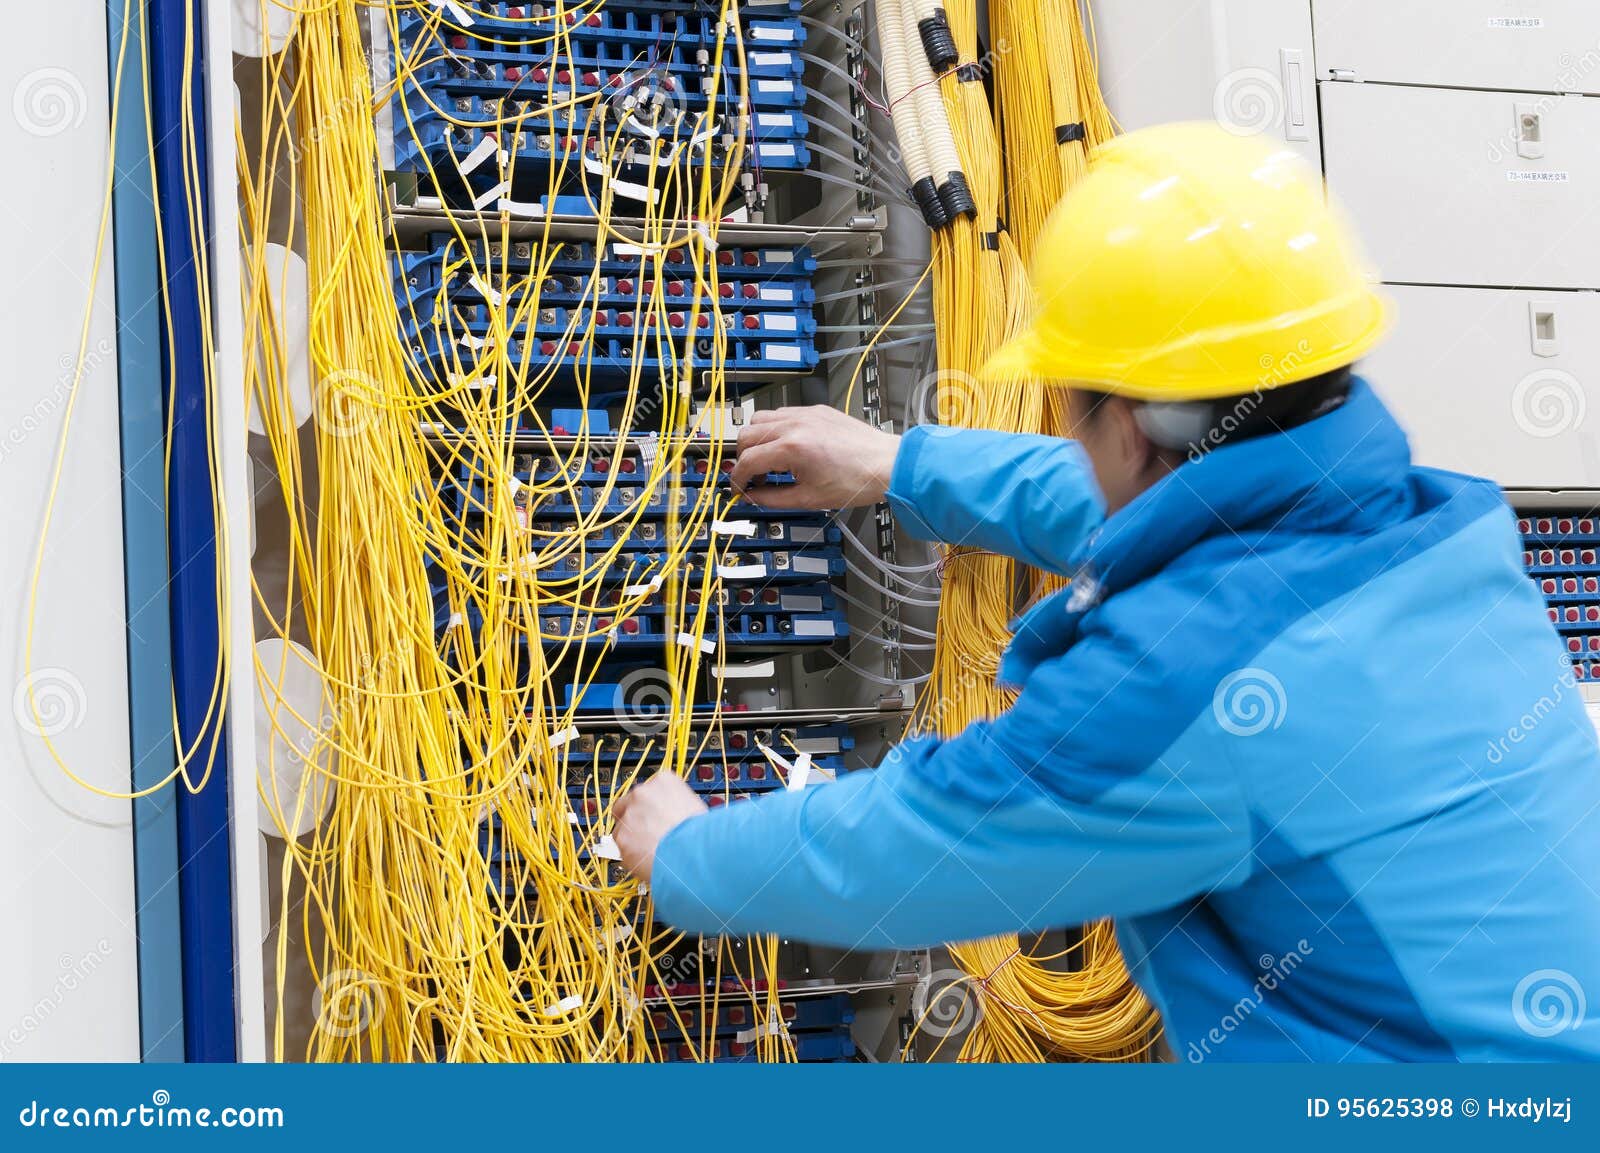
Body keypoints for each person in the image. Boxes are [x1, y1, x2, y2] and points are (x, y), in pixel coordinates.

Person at [614, 123, 1600, 1060]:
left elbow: (931, 841)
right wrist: (899, 463)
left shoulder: (1188, 686)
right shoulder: (1427, 524)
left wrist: (691, 855)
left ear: (1128, 425)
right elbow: (1153, 512)